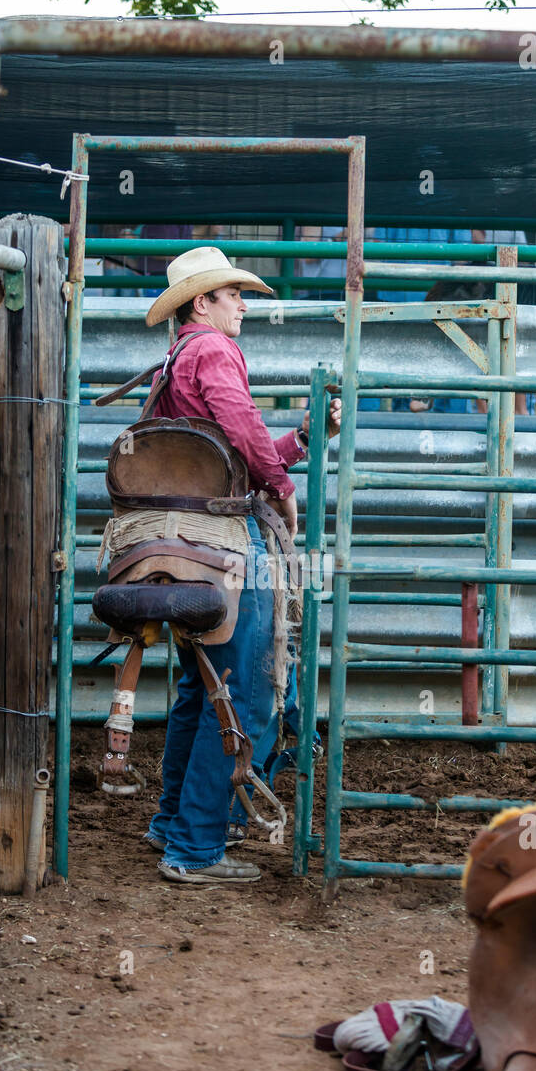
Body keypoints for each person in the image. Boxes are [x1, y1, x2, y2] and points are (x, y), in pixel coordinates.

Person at [139, 246, 340, 886]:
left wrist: (301, 442)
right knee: (248, 690)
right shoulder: (214, 351)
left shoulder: (175, 361)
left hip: (183, 545)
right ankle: (196, 850)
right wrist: (283, 486)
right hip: (225, 545)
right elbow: (246, 431)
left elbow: (226, 452)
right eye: (233, 294)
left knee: (202, 690)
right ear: (203, 303)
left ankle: (173, 826)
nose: (243, 305)